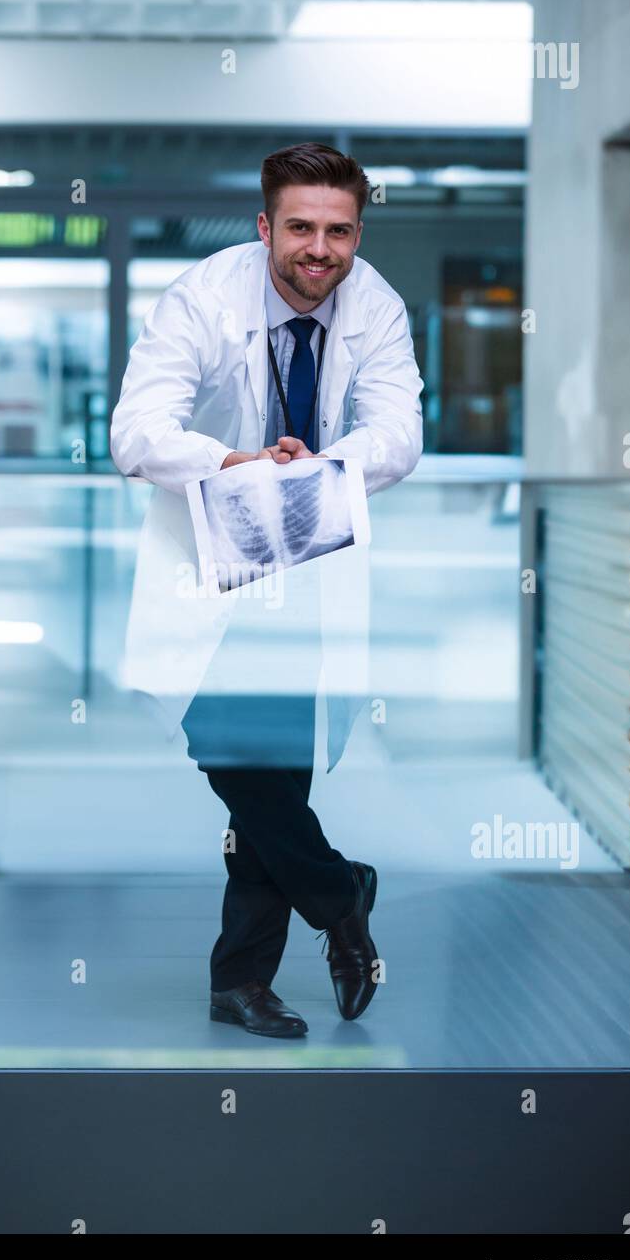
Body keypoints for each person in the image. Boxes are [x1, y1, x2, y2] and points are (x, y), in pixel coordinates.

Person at [110, 142, 423, 1038]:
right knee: (233, 758)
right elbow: (135, 433)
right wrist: (237, 463)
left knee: (271, 777)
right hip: (210, 561)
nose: (319, 250)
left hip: (312, 557)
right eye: (300, 228)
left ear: (357, 231)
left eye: (339, 231)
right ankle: (341, 895)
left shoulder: (376, 307)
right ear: (265, 228)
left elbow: (399, 434)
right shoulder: (203, 297)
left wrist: (317, 468)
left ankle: (239, 982)